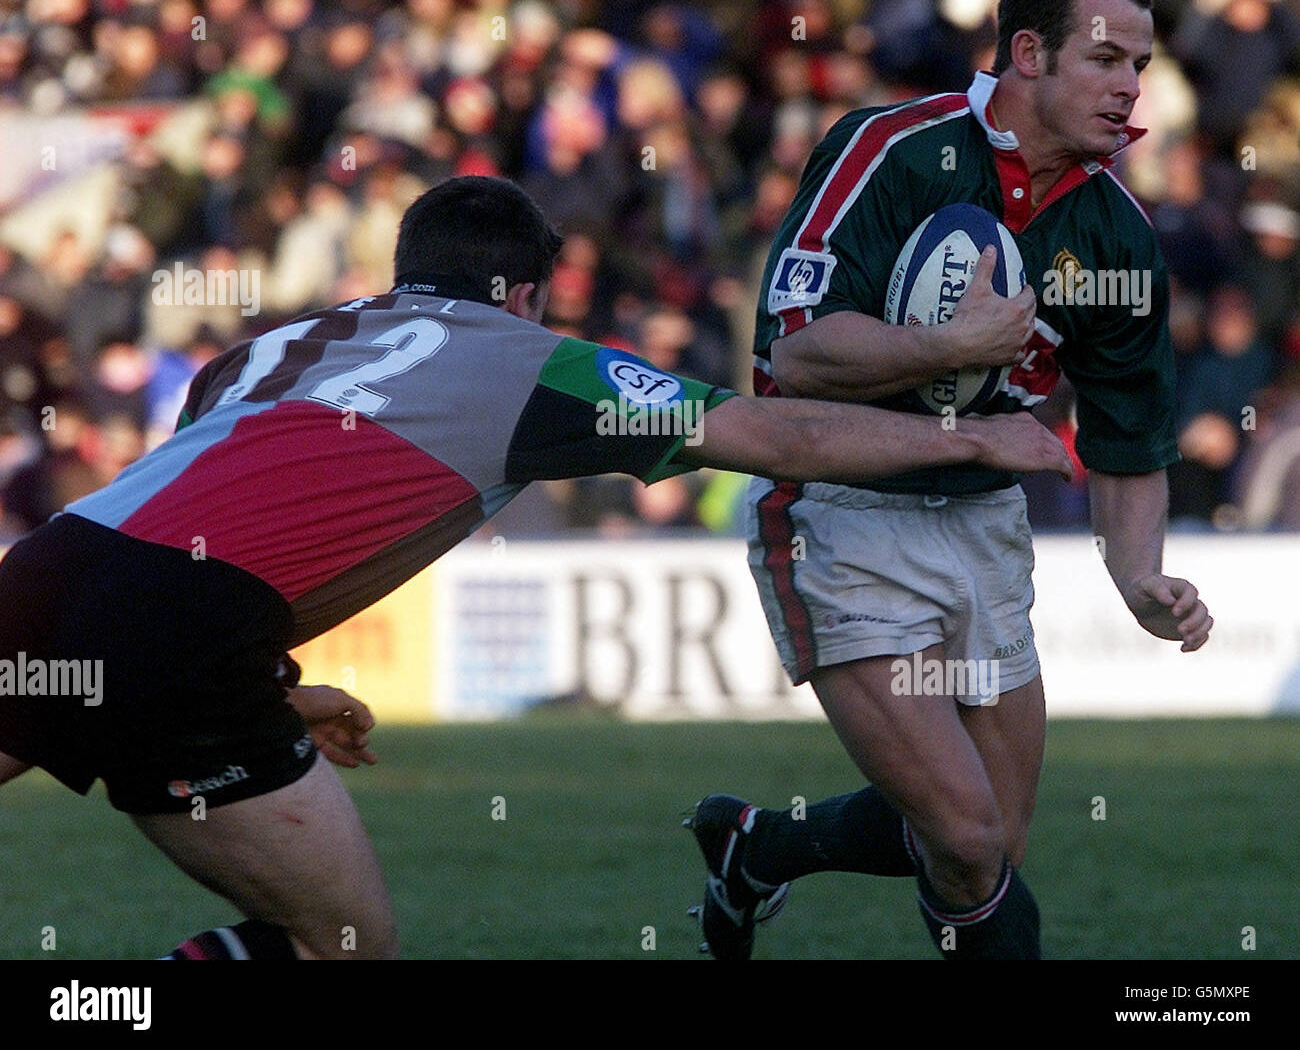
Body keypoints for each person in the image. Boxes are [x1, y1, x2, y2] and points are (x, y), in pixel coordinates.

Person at [0, 175, 1070, 960]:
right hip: (180, 635)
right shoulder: (536, 364)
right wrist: (972, 439)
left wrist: (271, 682)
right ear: (523, 294)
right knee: (340, 945)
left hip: (45, 572)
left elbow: (210, 514)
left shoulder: (270, 348)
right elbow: (776, 436)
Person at [686, 0, 1214, 961]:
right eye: (1106, 59)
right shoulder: (891, 148)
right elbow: (794, 350)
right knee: (968, 839)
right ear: (1028, 52)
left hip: (981, 523)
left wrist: (1141, 575)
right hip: (840, 509)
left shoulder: (1114, 232)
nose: (1128, 87)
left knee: (987, 838)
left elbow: (1126, 439)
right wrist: (942, 347)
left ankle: (759, 848)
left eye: (1139, 66)